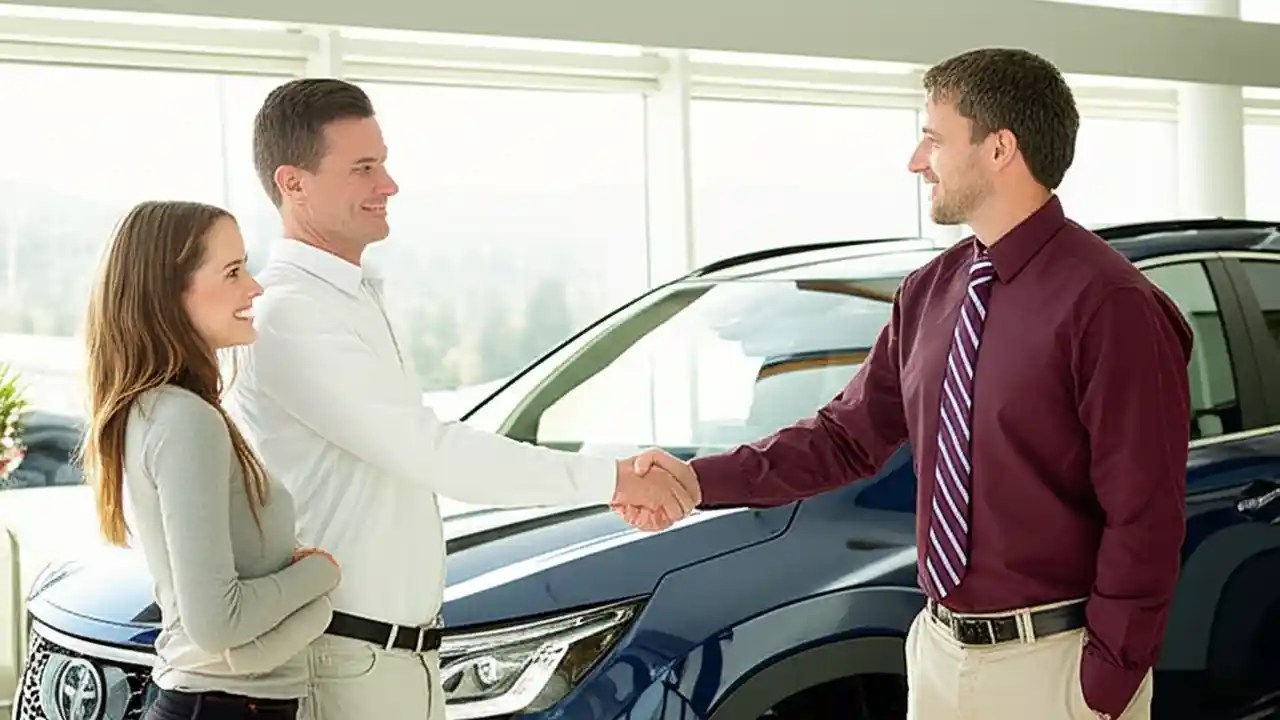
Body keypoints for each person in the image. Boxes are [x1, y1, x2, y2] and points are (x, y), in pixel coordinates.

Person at [626, 47, 1192, 720]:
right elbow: (844, 437)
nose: (916, 160)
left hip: (1056, 668)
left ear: (1000, 149)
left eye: (933, 137)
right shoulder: (930, 292)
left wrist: (1105, 680)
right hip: (938, 656)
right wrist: (696, 481)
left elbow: (1145, 513)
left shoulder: (1109, 303)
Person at [226, 78, 698, 720]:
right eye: (364, 168)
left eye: (384, 163)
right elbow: (430, 452)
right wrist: (615, 478)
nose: (388, 185)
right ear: (294, 183)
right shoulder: (292, 313)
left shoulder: (347, 297)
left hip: (396, 658)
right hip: (344, 661)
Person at [80, 200, 344, 720]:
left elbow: (229, 634)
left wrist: (301, 611)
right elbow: (216, 626)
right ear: (169, 294)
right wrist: (320, 578)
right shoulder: (184, 420)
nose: (255, 287)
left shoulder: (162, 412)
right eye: (232, 271)